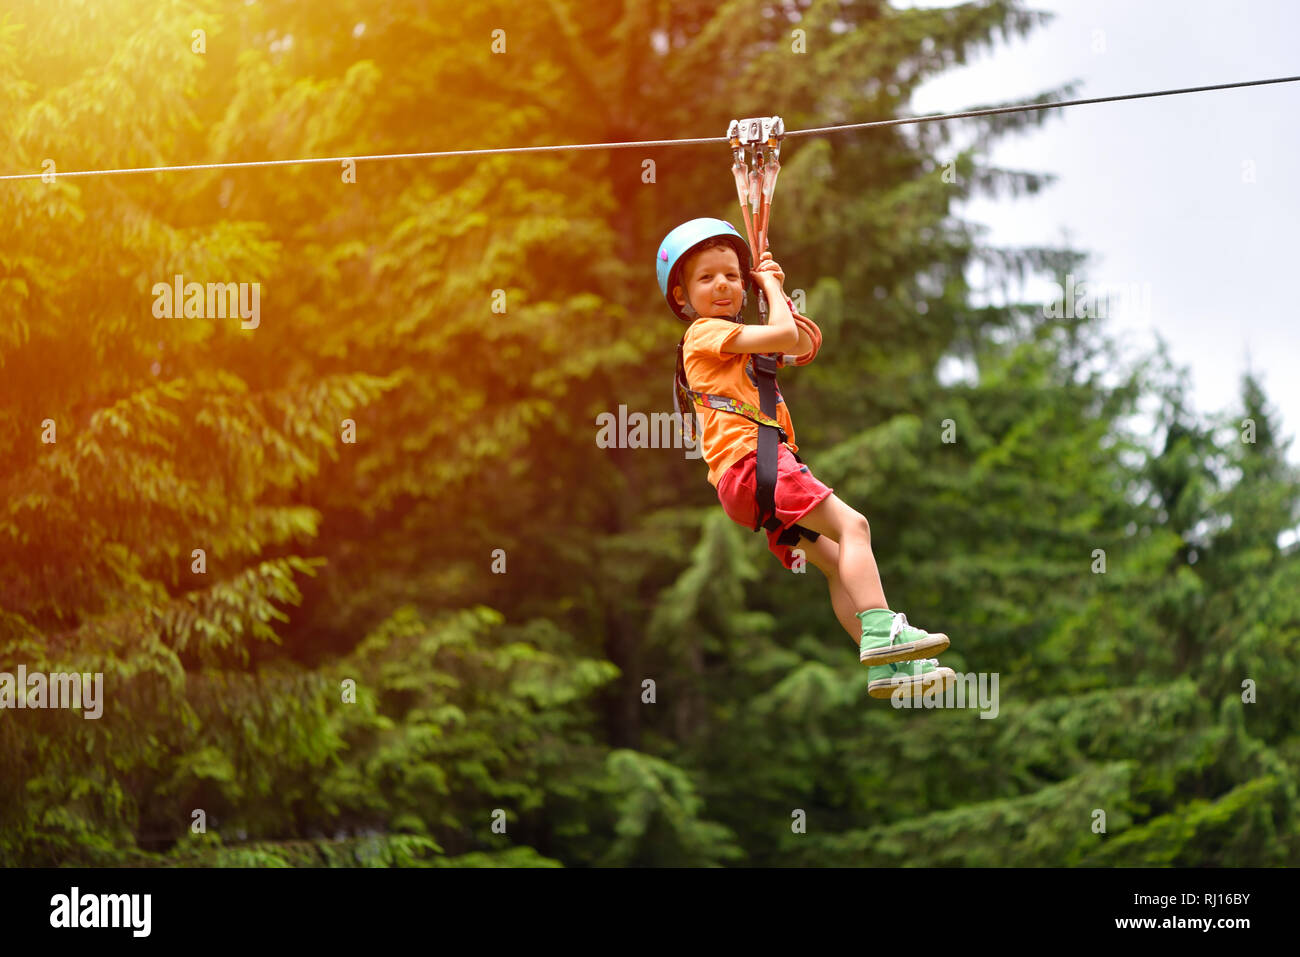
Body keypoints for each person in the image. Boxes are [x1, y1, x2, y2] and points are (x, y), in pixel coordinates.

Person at [657, 218, 955, 699]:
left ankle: (885, 667)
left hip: (749, 480)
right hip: (754, 464)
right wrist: (772, 288)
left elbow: (796, 343)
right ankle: (884, 631)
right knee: (854, 527)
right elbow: (779, 336)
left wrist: (776, 296)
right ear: (682, 297)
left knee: (838, 563)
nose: (723, 286)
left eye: (733, 275)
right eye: (707, 277)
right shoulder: (702, 334)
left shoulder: (730, 346)